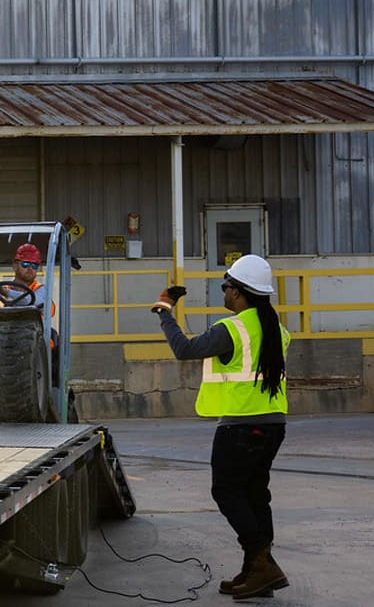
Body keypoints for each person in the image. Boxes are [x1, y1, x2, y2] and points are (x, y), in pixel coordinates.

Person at [152, 254, 291, 600]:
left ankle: (263, 564)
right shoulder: (278, 330)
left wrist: (164, 312)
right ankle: (256, 570)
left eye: (226, 287)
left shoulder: (232, 329)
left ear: (241, 293)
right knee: (256, 494)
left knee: (227, 492)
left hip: (240, 427)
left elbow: (183, 349)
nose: (223, 293)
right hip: (273, 425)